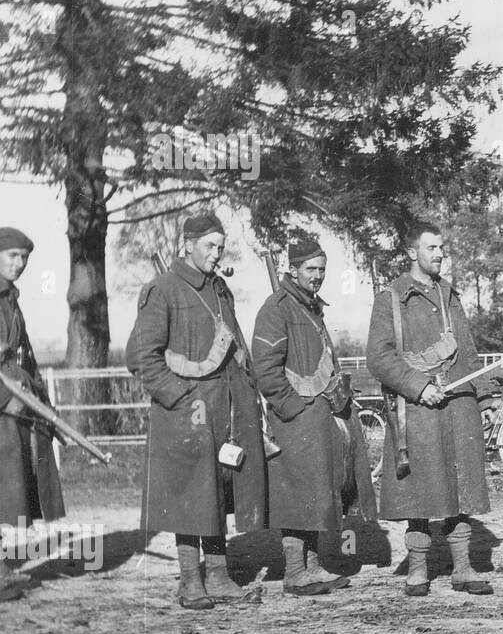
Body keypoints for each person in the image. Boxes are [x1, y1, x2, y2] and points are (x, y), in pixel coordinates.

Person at [126, 213, 266, 608]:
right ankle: (190, 581)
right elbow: (139, 356)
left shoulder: (220, 289)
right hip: (183, 412)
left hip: (224, 410)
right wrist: (179, 396)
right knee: (189, 496)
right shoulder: (163, 290)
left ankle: (219, 576)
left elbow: (236, 347)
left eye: (220, 247)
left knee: (215, 493)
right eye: (209, 246)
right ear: (187, 245)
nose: (216, 253)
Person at [365, 222, 495, 596]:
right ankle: (418, 569)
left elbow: (467, 350)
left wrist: (484, 399)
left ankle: (464, 568)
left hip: (458, 406)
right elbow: (380, 357)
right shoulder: (390, 298)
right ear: (412, 253)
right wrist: (419, 387)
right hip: (415, 410)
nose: (439, 254)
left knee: (457, 488)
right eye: (431, 247)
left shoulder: (450, 295)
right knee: (418, 492)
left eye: (442, 247)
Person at [253, 236, 378, 596]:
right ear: (292, 270)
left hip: (318, 417)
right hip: (296, 419)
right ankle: (294, 572)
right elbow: (265, 368)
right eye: (311, 269)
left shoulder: (310, 307)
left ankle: (311, 565)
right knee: (297, 496)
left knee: (317, 493)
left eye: (322, 270)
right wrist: (293, 409)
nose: (317, 276)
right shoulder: (276, 308)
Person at [0, 227, 66, 602]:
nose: (20, 264)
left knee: (10, 493)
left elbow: (24, 356)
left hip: (16, 408)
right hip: (2, 406)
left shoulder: (12, 299)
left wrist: (43, 402)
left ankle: (4, 568)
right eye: (12, 256)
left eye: (24, 258)